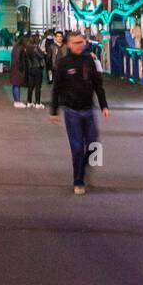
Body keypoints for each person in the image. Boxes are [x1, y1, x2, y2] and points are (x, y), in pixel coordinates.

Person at [50, 32, 109, 192]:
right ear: (69, 44)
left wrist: (104, 105)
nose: (79, 45)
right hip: (72, 111)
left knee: (95, 145)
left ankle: (85, 168)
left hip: (89, 109)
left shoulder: (89, 60)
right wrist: (54, 110)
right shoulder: (63, 63)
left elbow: (98, 84)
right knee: (77, 148)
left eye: (81, 42)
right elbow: (56, 88)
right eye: (75, 43)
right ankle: (78, 182)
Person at [24, 33, 46, 108]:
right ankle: (37, 103)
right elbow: (41, 56)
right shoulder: (35, 47)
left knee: (30, 86)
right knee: (38, 86)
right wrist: (43, 52)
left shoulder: (27, 47)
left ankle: (29, 102)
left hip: (30, 68)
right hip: (37, 68)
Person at [10, 35, 28, 108]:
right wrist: (22, 68)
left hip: (14, 68)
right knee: (17, 85)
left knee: (15, 85)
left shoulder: (15, 47)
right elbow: (18, 59)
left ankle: (16, 101)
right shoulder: (21, 48)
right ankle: (17, 101)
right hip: (18, 69)